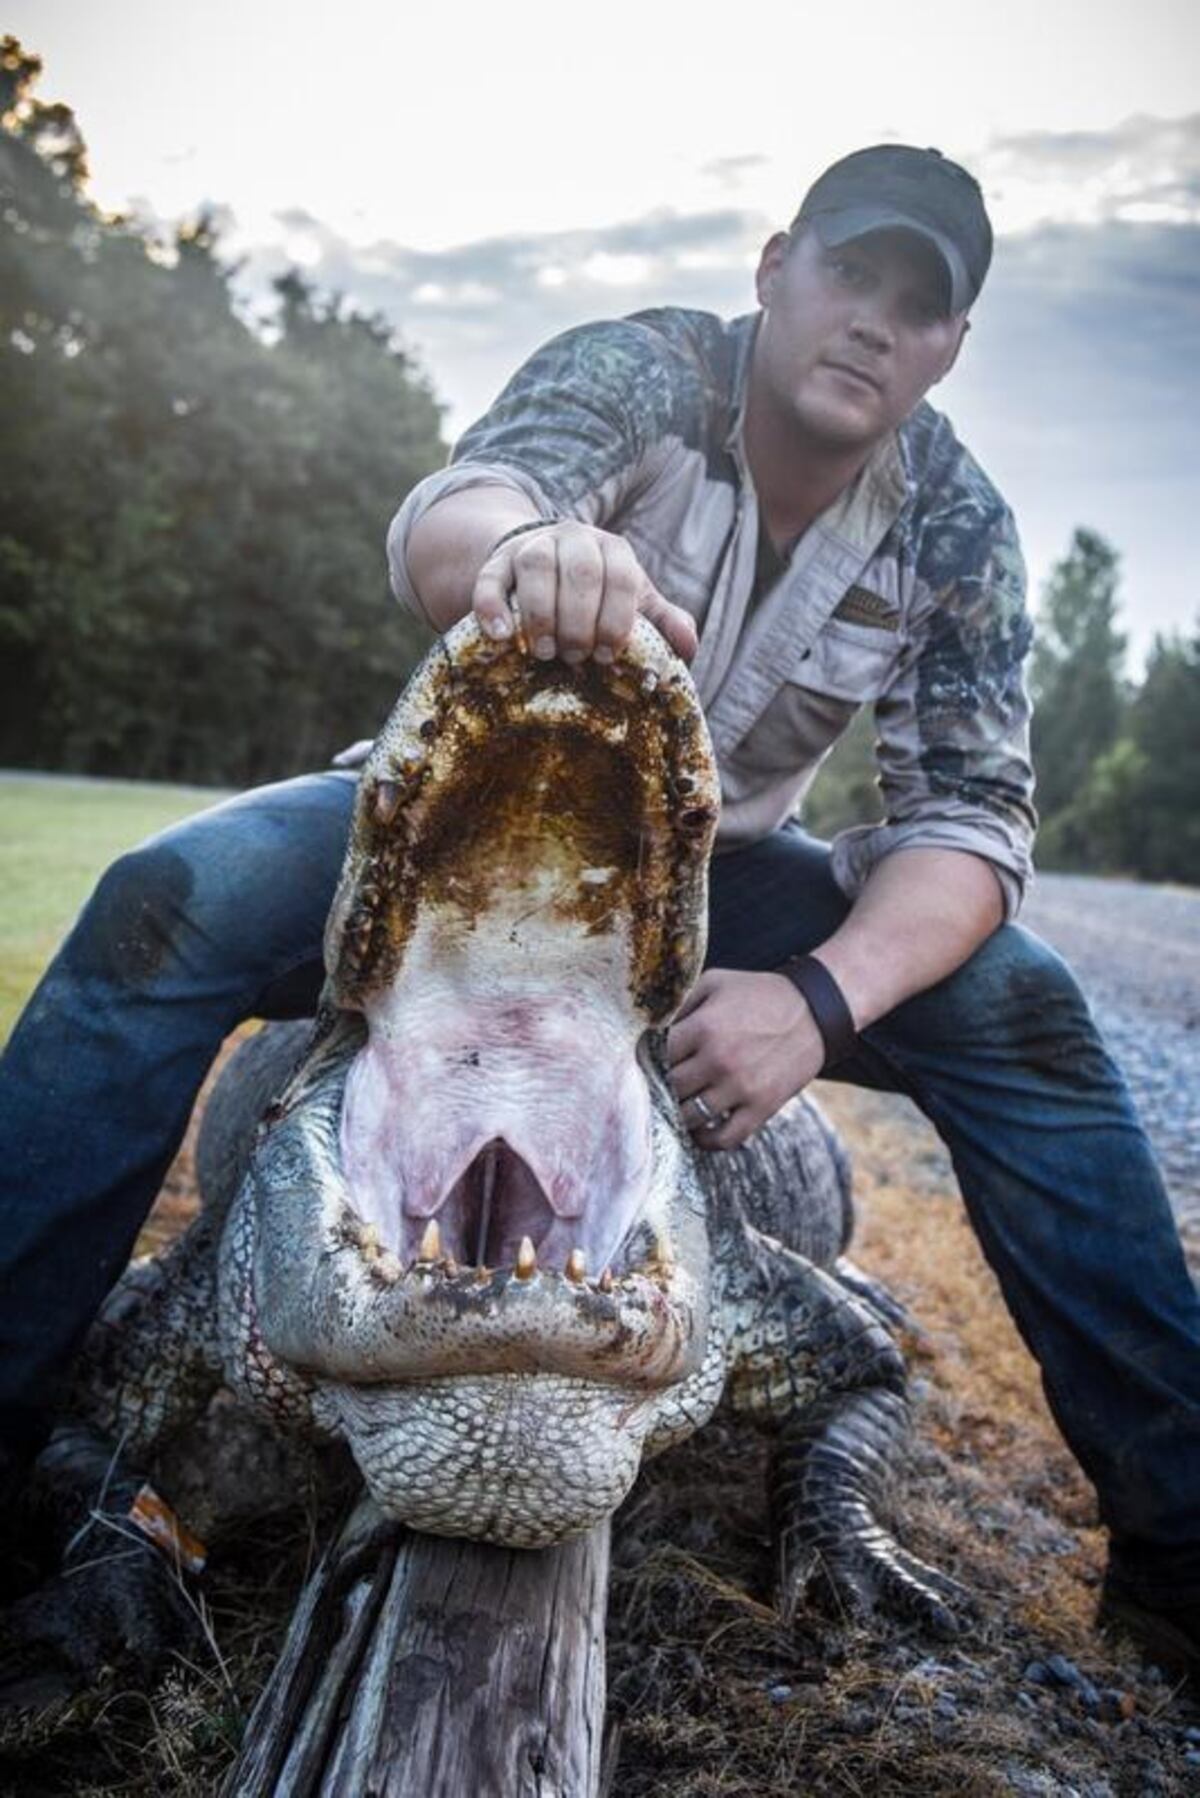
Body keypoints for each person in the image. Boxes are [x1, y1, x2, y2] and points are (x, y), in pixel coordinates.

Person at [1, 145, 1197, 1675]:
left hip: (685, 880)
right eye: (850, 274)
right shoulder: (642, 369)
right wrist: (521, 547)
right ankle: (15, 1459)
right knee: (161, 900)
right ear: (776, 266)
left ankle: (1183, 1550)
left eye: (921, 306)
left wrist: (816, 1002)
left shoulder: (953, 521)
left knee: (1026, 1003)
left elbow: (969, 827)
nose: (873, 324)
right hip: (455, 834)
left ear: (952, 345)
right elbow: (463, 502)